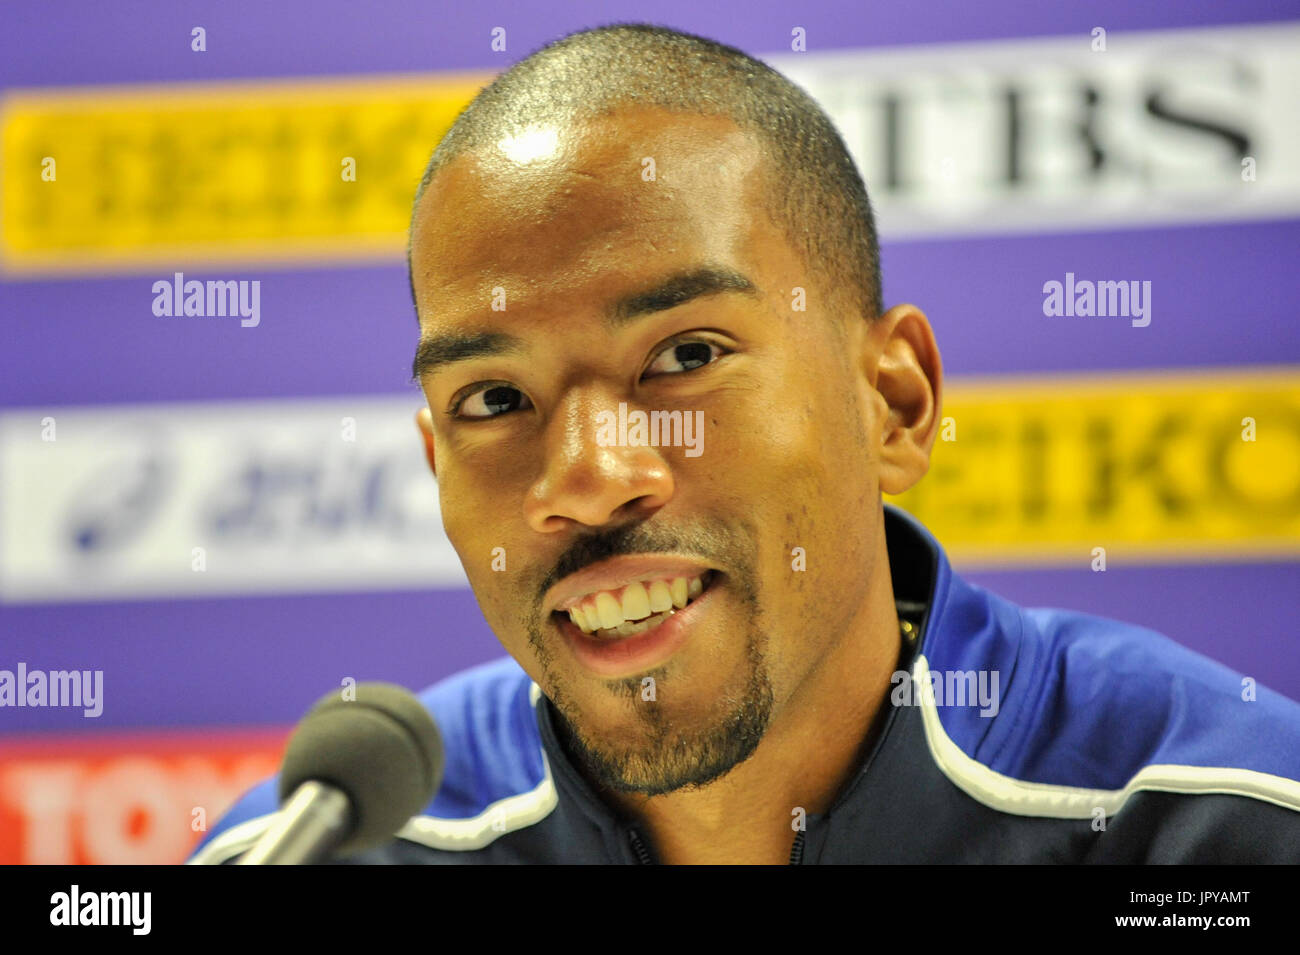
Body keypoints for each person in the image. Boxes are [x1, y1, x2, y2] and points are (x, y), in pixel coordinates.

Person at [190, 23, 1300, 864]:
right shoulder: (329, 852)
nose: (582, 476)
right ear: (439, 466)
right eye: (492, 400)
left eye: (684, 357)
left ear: (894, 403)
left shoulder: (1213, 826)